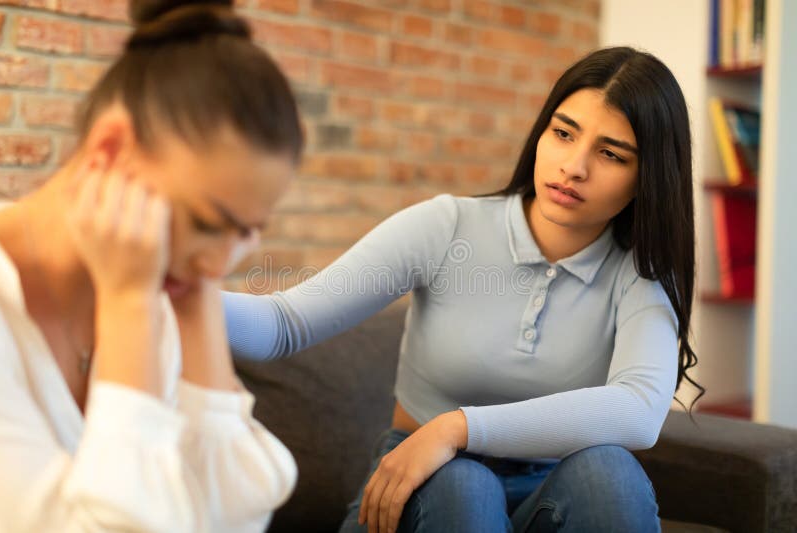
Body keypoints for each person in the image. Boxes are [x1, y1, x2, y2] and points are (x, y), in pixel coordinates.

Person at [223, 46, 702, 533]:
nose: (574, 166)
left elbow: (640, 412)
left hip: (545, 493)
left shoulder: (641, 274)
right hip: (423, 488)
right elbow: (282, 325)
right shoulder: (446, 227)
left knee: (610, 473)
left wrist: (458, 428)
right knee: (463, 484)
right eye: (562, 133)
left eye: (610, 154)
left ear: (647, 177)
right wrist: (163, 285)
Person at [0, 1, 304, 531]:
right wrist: (128, 307)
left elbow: (231, 520)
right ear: (111, 148)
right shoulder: (135, 300)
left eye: (247, 232)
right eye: (208, 222)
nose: (219, 264)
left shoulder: (156, 296)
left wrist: (191, 302)